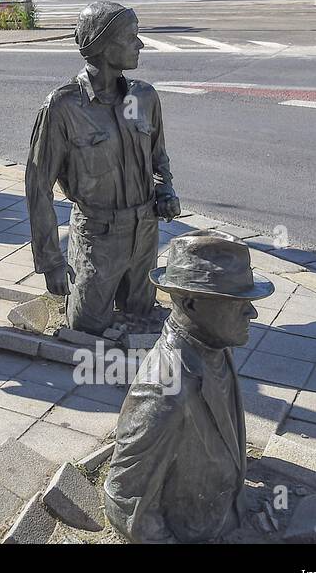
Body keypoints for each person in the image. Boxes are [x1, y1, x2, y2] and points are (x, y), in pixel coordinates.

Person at [103, 230, 273, 543]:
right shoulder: (164, 389)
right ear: (191, 303)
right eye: (236, 301)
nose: (252, 312)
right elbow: (123, 499)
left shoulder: (216, 347)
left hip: (224, 515)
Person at [26, 0, 181, 335]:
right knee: (85, 326)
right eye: (131, 37)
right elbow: (38, 188)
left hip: (145, 231)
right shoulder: (62, 107)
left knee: (140, 314)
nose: (140, 44)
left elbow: (158, 158)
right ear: (104, 46)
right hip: (98, 235)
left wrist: (165, 190)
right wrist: (51, 261)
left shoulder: (145, 98)